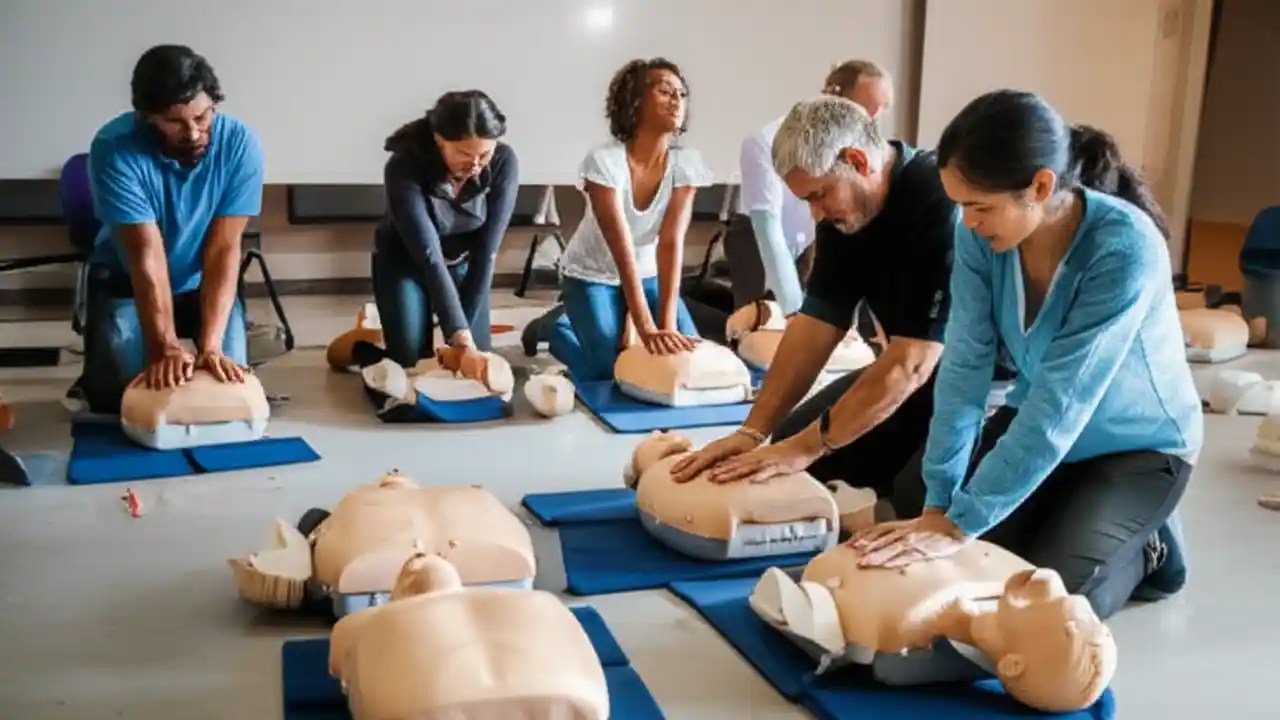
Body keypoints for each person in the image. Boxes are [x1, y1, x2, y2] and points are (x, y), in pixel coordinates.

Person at [852, 90, 1202, 621]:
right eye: (961, 206)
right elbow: (965, 370)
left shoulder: (1124, 247)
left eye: (980, 206)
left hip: (1137, 448)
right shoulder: (979, 238)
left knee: (1051, 598)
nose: (967, 222)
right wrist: (940, 505)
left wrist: (960, 525)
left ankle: (1150, 550)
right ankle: (1064, 517)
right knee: (924, 506)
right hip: (1045, 422)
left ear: (1040, 186)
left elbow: (1062, 403)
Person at [671, 95, 959, 511]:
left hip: (977, 386)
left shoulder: (936, 198)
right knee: (789, 443)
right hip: (910, 371)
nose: (816, 214)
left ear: (858, 161)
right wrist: (753, 433)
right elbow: (815, 326)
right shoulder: (841, 216)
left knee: (919, 494)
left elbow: (911, 362)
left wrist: (810, 446)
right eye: (806, 200)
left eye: (819, 195)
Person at [77, 44, 264, 415]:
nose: (194, 133)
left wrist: (210, 345)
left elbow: (224, 248)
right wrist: (164, 345)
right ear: (147, 117)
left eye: (203, 116)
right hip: (126, 280)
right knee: (119, 397)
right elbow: (146, 256)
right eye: (176, 122)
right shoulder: (114, 148)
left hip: (200, 282)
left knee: (225, 381)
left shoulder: (240, 144)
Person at [534, 57, 714, 380]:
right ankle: (553, 328)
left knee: (685, 355)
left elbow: (671, 242)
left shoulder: (686, 163)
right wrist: (645, 326)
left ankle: (597, 324)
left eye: (681, 93)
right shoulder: (605, 162)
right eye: (664, 91)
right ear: (635, 102)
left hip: (649, 274)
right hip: (591, 274)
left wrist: (667, 325)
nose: (676, 100)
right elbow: (622, 249)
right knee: (611, 369)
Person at [369, 90, 519, 368]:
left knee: (477, 356)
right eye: (464, 153)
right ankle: (361, 348)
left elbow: (486, 253)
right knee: (410, 361)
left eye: (484, 154)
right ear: (439, 140)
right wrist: (459, 336)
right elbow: (429, 256)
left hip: (460, 262)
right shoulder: (404, 166)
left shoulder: (503, 162)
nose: (475, 165)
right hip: (406, 262)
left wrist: (464, 341)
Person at [732, 59, 895, 314]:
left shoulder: (865, 149)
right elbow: (769, 233)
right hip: (759, 236)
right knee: (761, 326)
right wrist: (793, 313)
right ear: (834, 95)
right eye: (866, 108)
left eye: (879, 113)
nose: (871, 121)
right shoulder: (765, 141)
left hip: (810, 235)